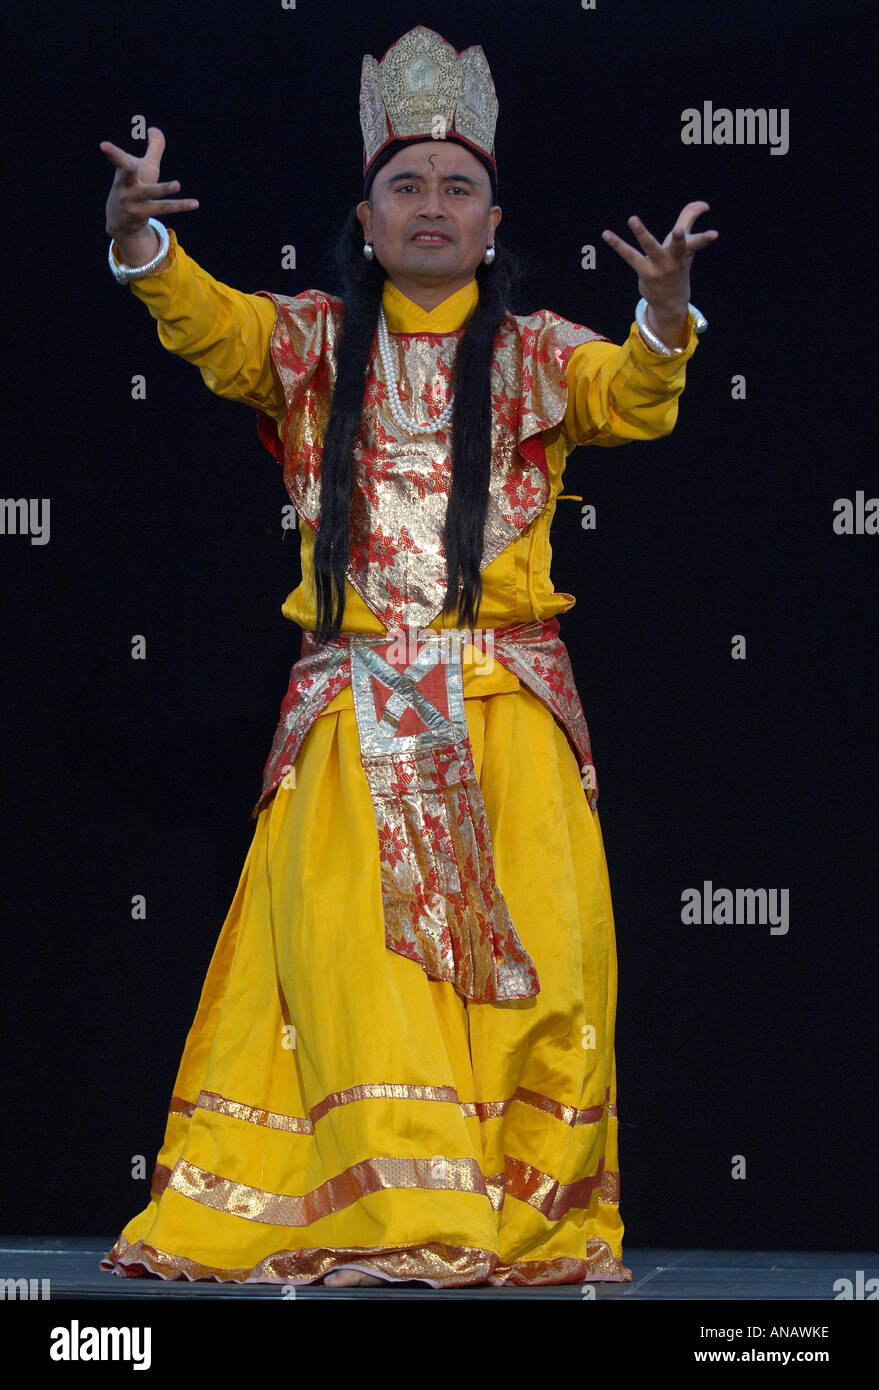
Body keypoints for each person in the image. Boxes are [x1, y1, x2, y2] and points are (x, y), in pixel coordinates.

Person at [98, 25, 716, 1289]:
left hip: (506, 707)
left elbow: (629, 399)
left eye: (457, 186)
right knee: (353, 972)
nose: (432, 206)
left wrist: (662, 322)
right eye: (407, 185)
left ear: (492, 221)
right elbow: (210, 325)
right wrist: (142, 244)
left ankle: (527, 1220)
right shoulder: (313, 346)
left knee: (543, 975)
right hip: (358, 711)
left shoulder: (540, 351)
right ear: (366, 215)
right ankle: (394, 1221)